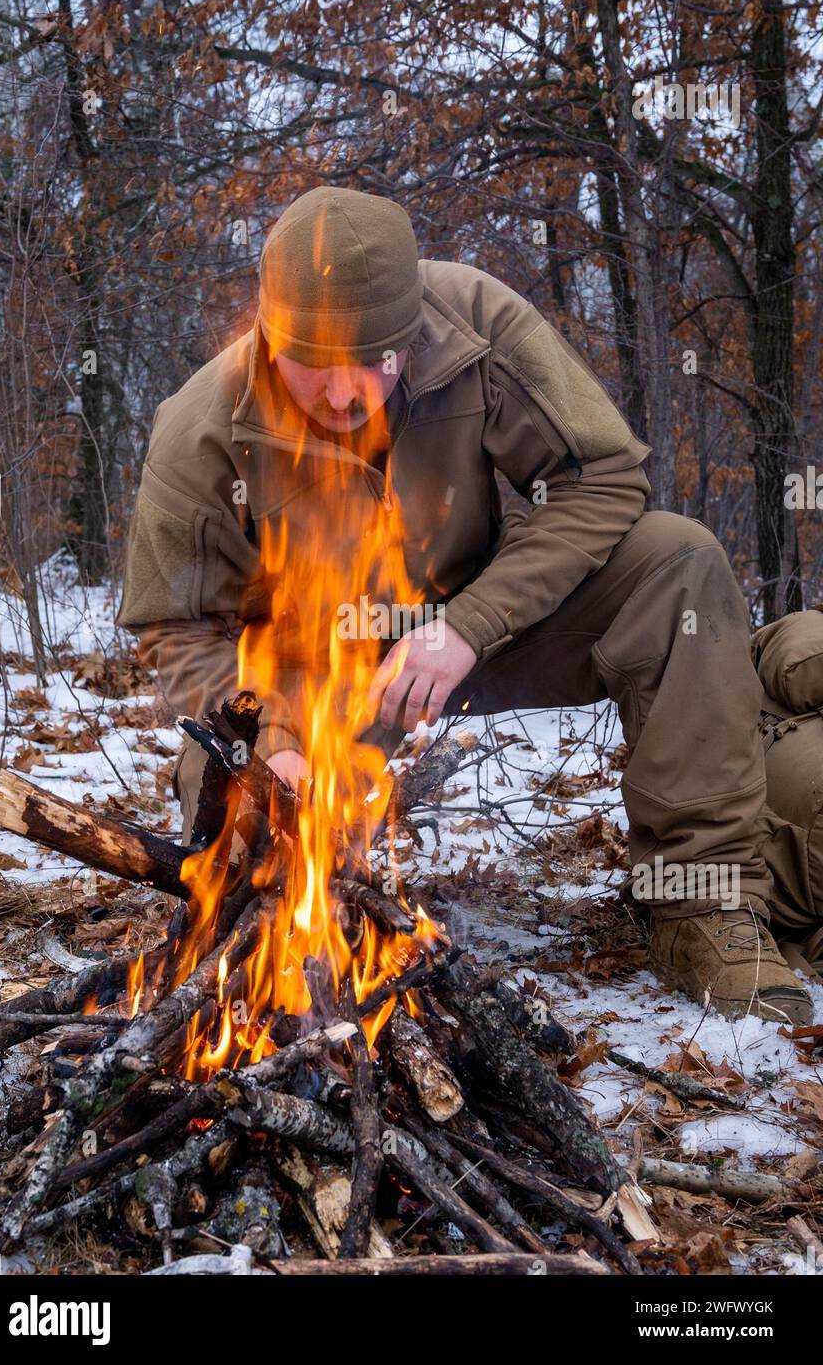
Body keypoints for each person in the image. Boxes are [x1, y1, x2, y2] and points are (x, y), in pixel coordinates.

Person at [119, 186, 812, 1024]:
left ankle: (701, 906)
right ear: (270, 337)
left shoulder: (475, 323)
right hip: (315, 683)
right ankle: (289, 963)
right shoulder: (199, 427)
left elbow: (600, 479)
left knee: (678, 562)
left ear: (410, 333)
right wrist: (270, 730)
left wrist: (470, 625)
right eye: (320, 369)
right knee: (252, 834)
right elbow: (175, 626)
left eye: (374, 362)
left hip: (481, 623)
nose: (347, 398)